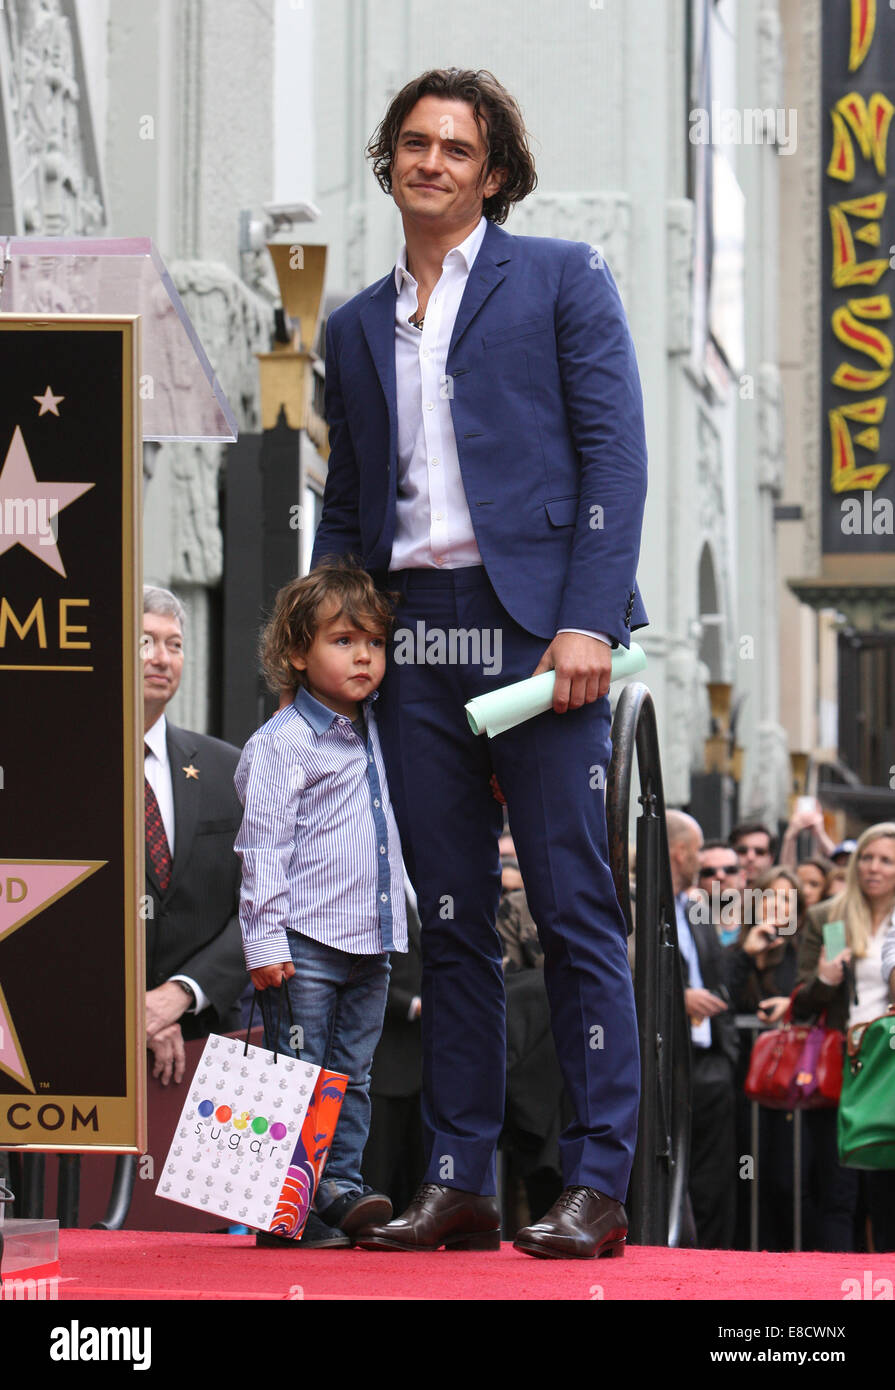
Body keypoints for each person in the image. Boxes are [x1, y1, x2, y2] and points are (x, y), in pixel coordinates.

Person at [312, 67, 647, 1258]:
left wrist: (589, 620)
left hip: (537, 626)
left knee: (570, 909)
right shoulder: (354, 323)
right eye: (412, 143)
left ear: (493, 170)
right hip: (413, 634)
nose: (431, 162)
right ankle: (456, 1178)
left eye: (457, 148)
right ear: (389, 161)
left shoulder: (562, 275)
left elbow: (614, 454)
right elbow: (348, 501)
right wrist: (329, 643)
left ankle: (595, 1183)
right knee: (447, 919)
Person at [234, 559, 408, 1248]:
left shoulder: (380, 733)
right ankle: (302, 1204)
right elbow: (262, 849)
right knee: (297, 1076)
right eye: (342, 640)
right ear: (297, 654)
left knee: (353, 1076)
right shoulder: (282, 745)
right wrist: (265, 941)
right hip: (303, 940)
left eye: (374, 640)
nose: (363, 654)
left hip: (372, 940)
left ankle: (328, 1193)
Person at [142, 586, 247, 1086]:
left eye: (174, 644)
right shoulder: (66, 773)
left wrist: (180, 993)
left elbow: (264, 903)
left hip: (214, 1044)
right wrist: (132, 1014)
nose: (162, 657)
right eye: (145, 642)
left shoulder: (228, 769)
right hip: (86, 1056)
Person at [793, 822, 895, 1251]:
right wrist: (824, 978)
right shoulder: (830, 917)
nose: (874, 868)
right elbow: (801, 1002)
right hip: (843, 1061)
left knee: (887, 1188)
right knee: (839, 1189)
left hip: (889, 1062)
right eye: (867, 859)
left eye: (886, 860)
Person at [667, 811, 738, 1248]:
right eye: (698, 855)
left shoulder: (695, 911)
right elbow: (629, 977)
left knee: (713, 1182)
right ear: (681, 853)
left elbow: (719, 975)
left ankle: (714, 1269)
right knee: (669, 1176)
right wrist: (680, 999)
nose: (704, 865)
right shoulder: (636, 905)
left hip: (710, 1065)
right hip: (665, 1061)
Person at [729, 821, 777, 889]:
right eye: (742, 851)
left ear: (771, 859)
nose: (750, 857)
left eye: (759, 852)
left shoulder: (780, 896)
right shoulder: (715, 896)